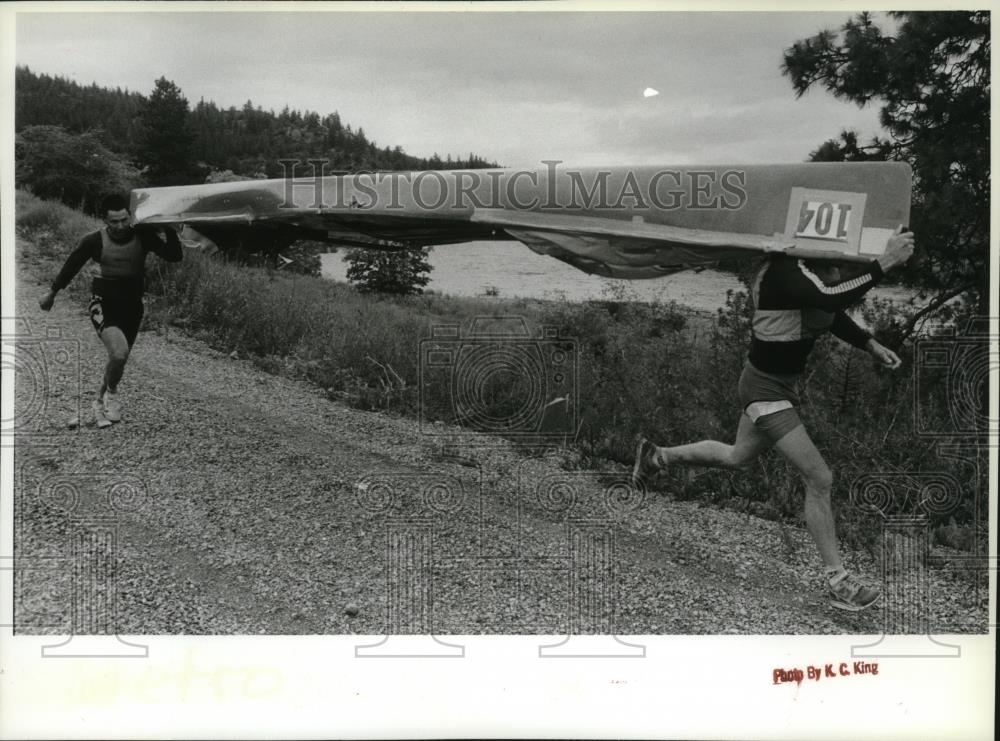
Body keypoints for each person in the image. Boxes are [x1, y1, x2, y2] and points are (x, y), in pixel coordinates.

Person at [632, 226, 915, 611]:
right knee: (819, 477)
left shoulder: (804, 272)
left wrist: (870, 343)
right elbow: (828, 297)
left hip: (773, 386)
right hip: (764, 392)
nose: (837, 264)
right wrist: (886, 262)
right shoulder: (784, 273)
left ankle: (657, 456)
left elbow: (828, 313)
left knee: (736, 456)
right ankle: (838, 580)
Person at [39, 193, 183, 427]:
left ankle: (101, 400)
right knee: (118, 353)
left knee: (119, 359)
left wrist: (169, 228)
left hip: (133, 305)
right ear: (104, 220)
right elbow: (72, 265)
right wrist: (52, 293)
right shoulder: (93, 240)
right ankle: (112, 395)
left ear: (131, 217)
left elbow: (174, 256)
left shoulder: (143, 235)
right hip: (103, 303)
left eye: (124, 220)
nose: (120, 226)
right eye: (114, 221)